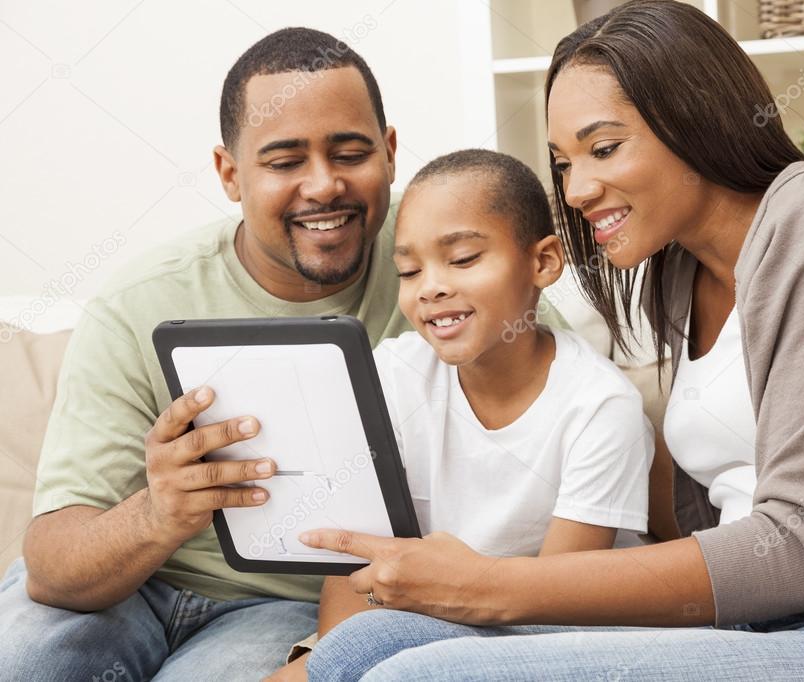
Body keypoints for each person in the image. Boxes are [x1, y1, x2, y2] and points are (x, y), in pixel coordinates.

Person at [300, 2, 804, 680]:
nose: (576, 188)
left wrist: (492, 586)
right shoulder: (682, 271)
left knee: (415, 675)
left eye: (603, 148)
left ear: (695, 120)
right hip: (760, 623)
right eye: (561, 162)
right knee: (363, 644)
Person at [0, 28, 563, 681]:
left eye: (350, 152)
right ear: (229, 174)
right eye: (284, 161)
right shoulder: (136, 302)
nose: (323, 186)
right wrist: (159, 513)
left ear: (388, 151)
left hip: (282, 606)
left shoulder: (448, 249)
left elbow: (560, 408)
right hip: (131, 590)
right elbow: (53, 568)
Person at [274, 148, 652, 680]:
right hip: (404, 620)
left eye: (464, 259)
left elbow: (561, 602)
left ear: (542, 262)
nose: (430, 286)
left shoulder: (599, 408)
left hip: (550, 631)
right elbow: (354, 558)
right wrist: (335, 661)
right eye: (409, 270)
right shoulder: (391, 376)